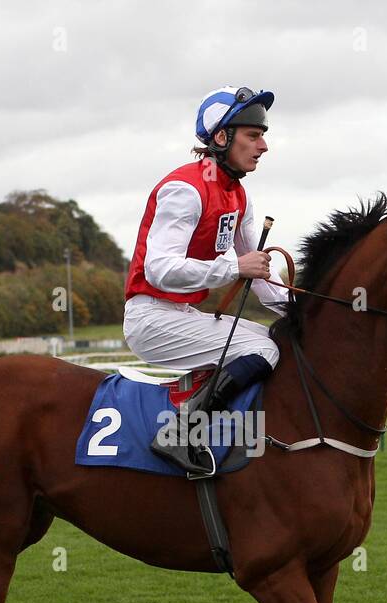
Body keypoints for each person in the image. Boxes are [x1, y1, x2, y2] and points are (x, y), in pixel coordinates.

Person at [123, 86, 289, 475]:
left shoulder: (238, 196)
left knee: (275, 340)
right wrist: (233, 268)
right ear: (221, 137)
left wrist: (303, 310)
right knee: (265, 352)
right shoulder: (185, 188)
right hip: (151, 319)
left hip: (182, 314)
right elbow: (159, 269)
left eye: (262, 135)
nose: (263, 146)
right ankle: (179, 433)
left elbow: (261, 273)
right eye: (253, 135)